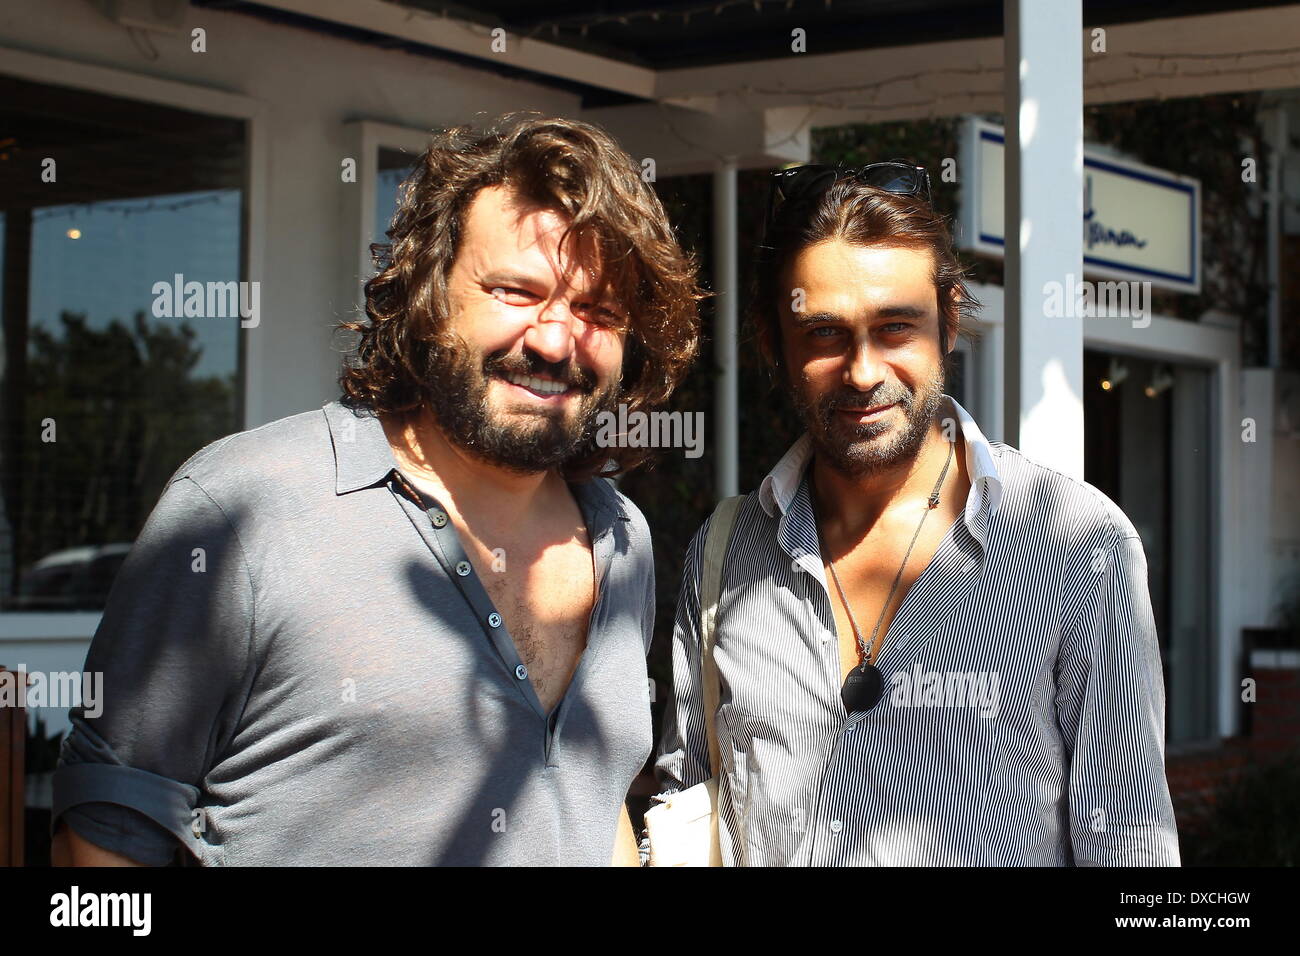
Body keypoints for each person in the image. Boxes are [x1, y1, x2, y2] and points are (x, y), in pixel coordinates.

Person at [51, 113, 701, 866]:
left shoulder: (621, 539)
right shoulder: (242, 513)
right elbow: (103, 843)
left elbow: (590, 802)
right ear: (428, 294)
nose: (557, 340)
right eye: (517, 292)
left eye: (598, 311)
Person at [653, 162, 1180, 866]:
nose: (864, 371)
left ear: (950, 320)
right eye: (824, 334)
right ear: (771, 342)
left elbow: (1130, 845)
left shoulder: (1081, 548)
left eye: (896, 327)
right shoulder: (722, 559)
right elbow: (685, 811)